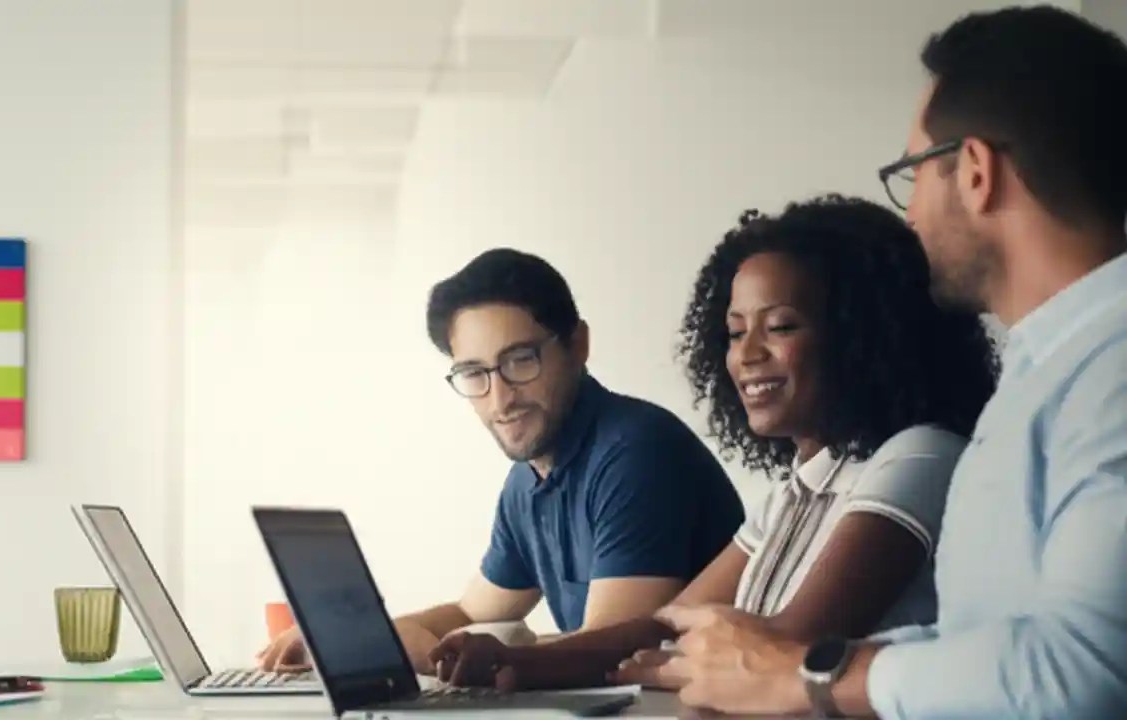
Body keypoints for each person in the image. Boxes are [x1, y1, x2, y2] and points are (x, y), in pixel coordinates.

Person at [656, 7, 1127, 719]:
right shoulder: (1040, 373)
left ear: (974, 172)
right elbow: (983, 641)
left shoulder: (1112, 373)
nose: (907, 218)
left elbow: (1086, 670)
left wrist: (806, 675)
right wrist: (769, 668)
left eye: (912, 173)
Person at [426, 196, 998, 690]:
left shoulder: (919, 455)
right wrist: (518, 663)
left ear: (860, 335)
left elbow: (787, 647)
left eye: (779, 327)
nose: (746, 356)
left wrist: (669, 657)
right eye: (734, 332)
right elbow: (670, 624)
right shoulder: (801, 487)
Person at [259, 247, 744, 674]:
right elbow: (473, 612)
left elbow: (608, 652)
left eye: (519, 361)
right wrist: (353, 642)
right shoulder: (526, 482)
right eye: (474, 372)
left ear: (578, 346)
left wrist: (430, 656)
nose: (500, 398)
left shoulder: (637, 452)